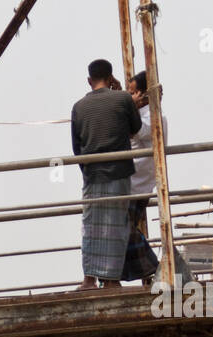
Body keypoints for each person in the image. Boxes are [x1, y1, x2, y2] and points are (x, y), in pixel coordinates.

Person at [71, 59, 142, 289]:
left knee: (91, 225)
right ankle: (111, 280)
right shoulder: (123, 98)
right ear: (111, 78)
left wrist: (88, 170)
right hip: (120, 171)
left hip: (93, 172)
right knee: (116, 225)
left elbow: (76, 147)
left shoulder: (79, 107)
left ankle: (89, 279)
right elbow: (136, 128)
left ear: (89, 80)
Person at [123, 71, 162, 283]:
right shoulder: (141, 113)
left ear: (142, 93)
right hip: (131, 183)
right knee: (124, 228)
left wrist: (126, 104)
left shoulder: (153, 116)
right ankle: (147, 269)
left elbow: (136, 129)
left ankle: (154, 267)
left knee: (123, 227)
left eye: (132, 93)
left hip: (136, 186)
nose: (130, 98)